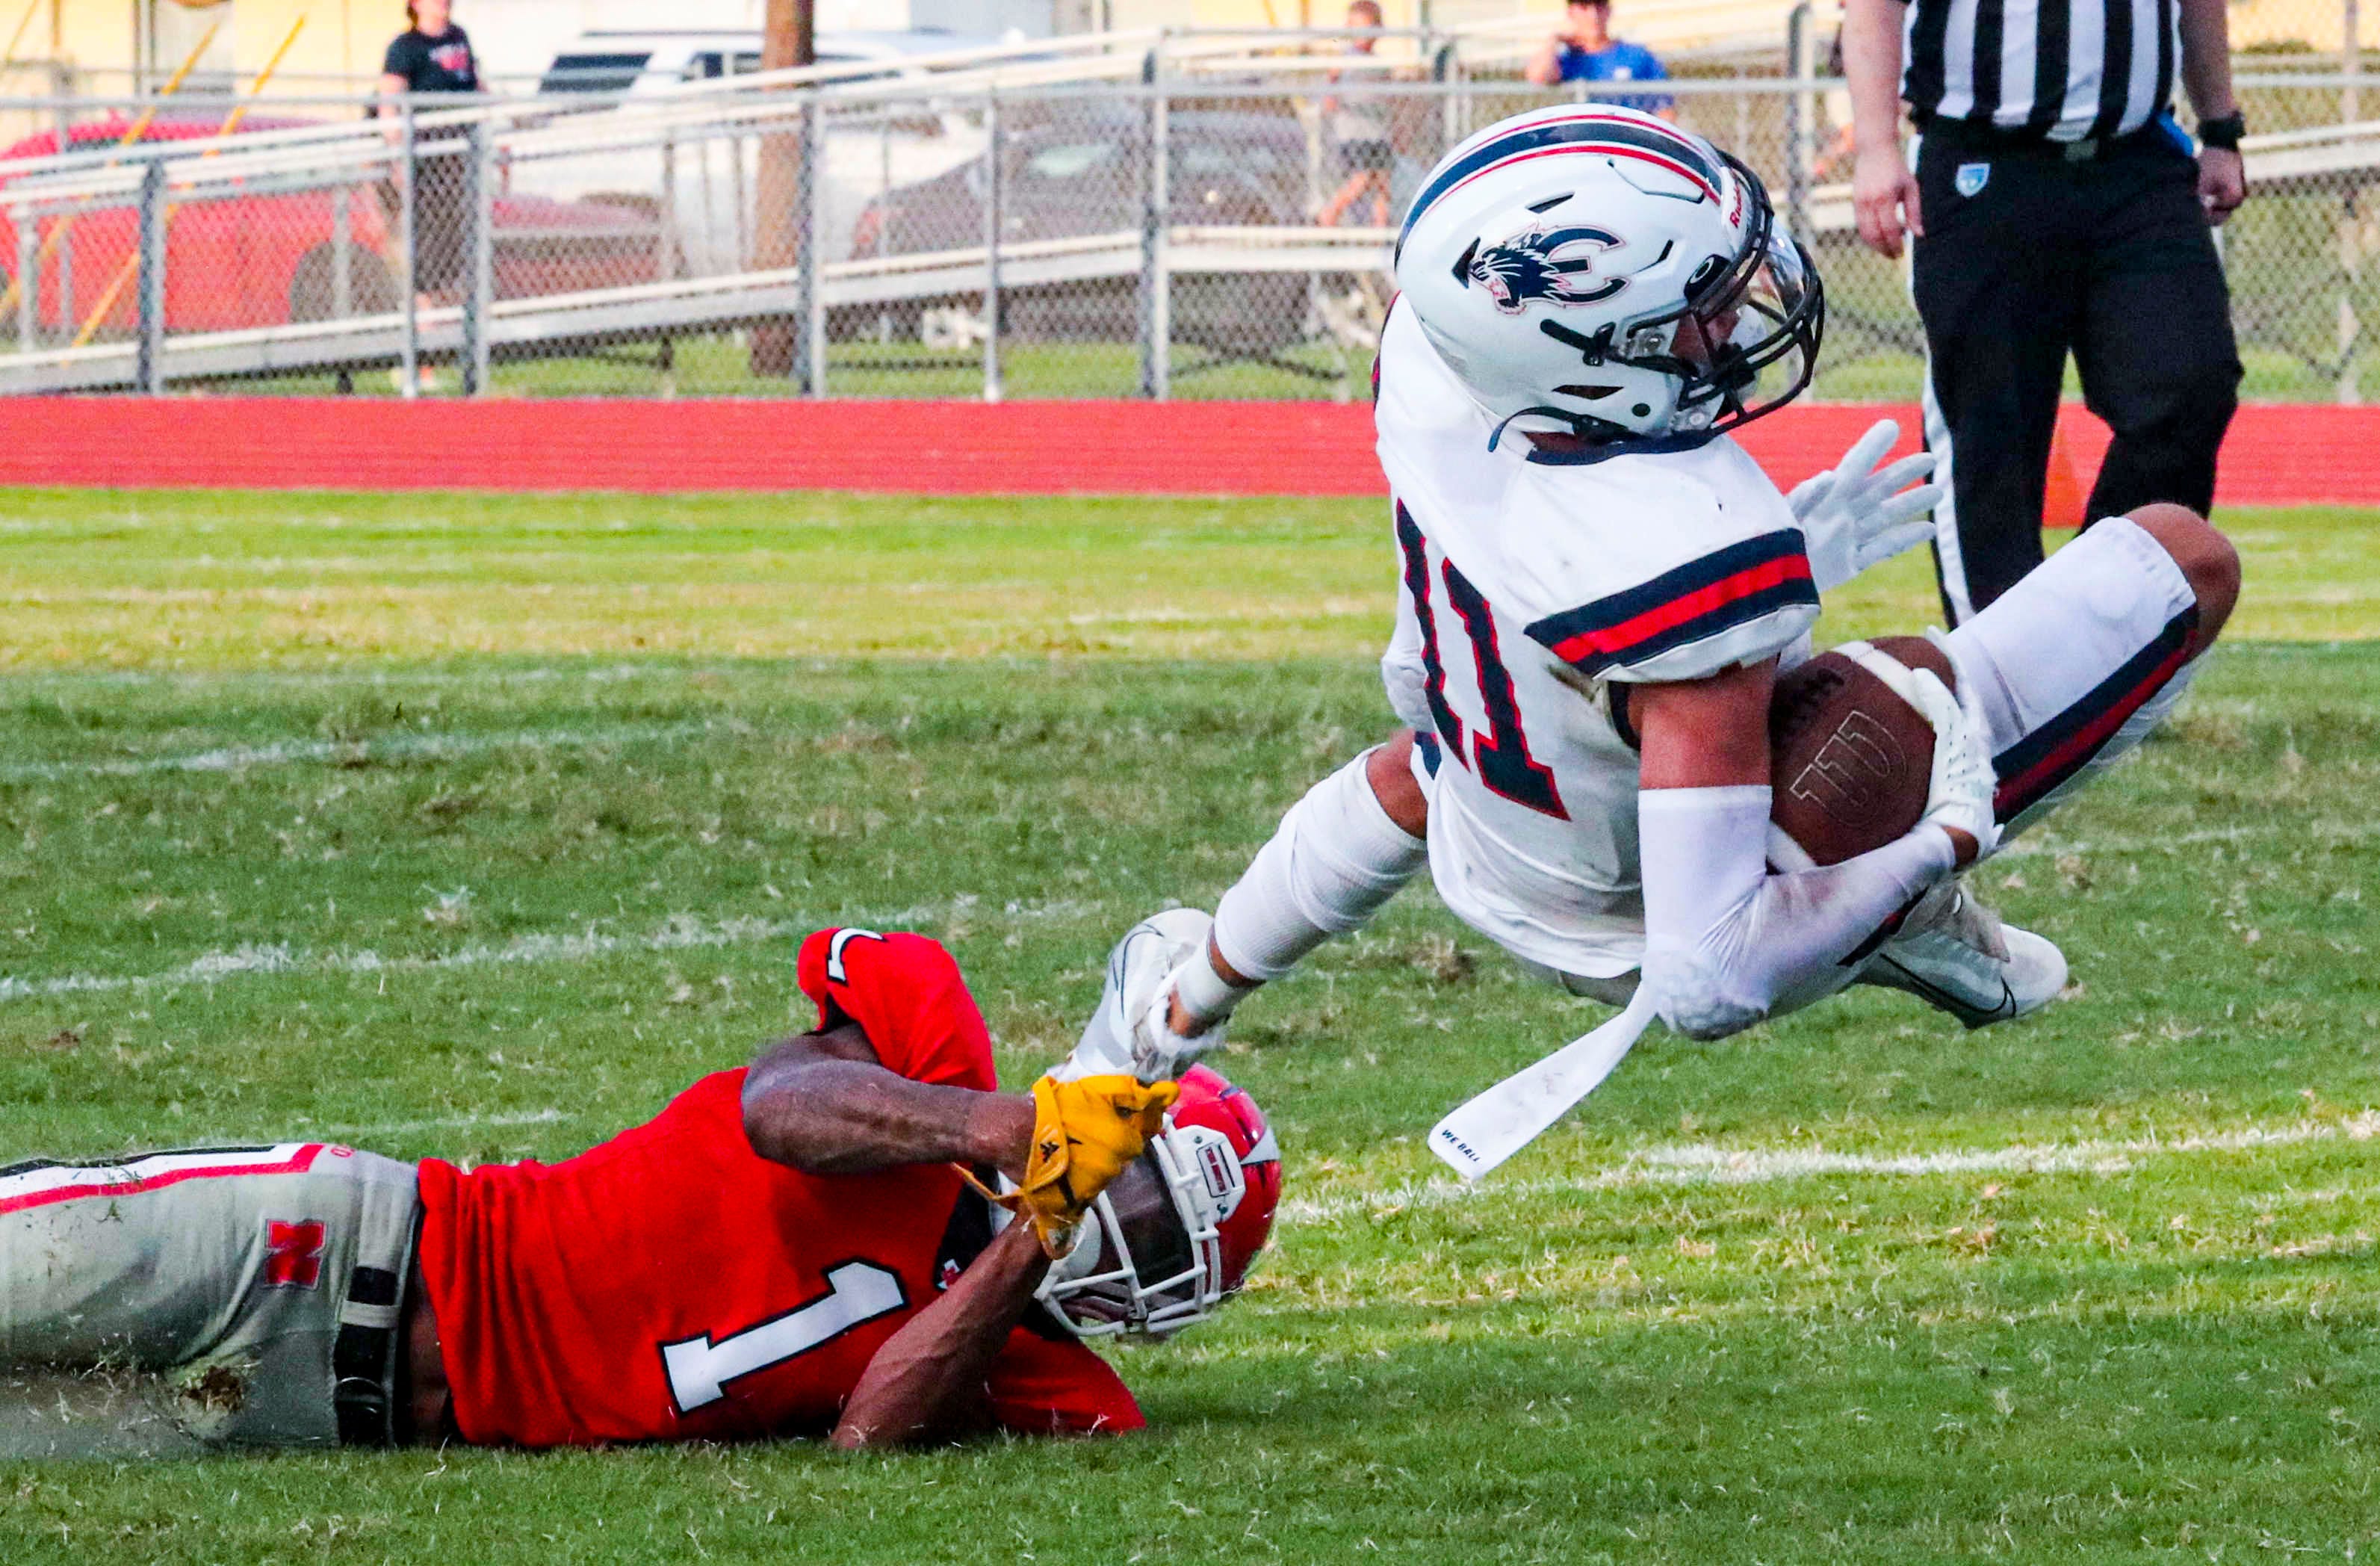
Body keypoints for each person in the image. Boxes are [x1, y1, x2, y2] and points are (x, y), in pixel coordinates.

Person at [1057, 105, 2239, 1090]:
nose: (1734, 320)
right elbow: (1703, 981)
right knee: (2165, 567)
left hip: (1484, 813)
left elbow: (1467, 642)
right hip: (1640, 911)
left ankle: (1175, 1005)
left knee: (1414, 768)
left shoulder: (1434, 355)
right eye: (1701, 307)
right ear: (1582, 348)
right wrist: (1936, 846)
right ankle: (1897, 919)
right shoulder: (1691, 556)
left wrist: (1753, 589)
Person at [0, 929, 1280, 1455]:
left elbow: (868, 1440)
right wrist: (1000, 1130)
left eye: (1163, 1241)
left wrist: (1030, 1240)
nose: (1127, 1226)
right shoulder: (928, 1040)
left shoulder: (1027, 1362)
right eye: (1141, 1189)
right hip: (341, 1243)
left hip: (336, 1419)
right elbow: (777, 1109)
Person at [1843, 0, 2246, 623]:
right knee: (1990, 423)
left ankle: (2093, 620)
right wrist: (1875, 145)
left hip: (2138, 160)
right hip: (1984, 160)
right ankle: (2002, 658)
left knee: (2191, 386)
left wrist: (2220, 129)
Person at [378, 0, 485, 392]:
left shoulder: (459, 38)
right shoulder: (405, 47)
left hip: (461, 164)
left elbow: (478, 88)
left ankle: (458, 353)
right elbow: (389, 103)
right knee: (424, 258)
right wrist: (398, 156)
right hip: (427, 168)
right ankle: (417, 360)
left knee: (462, 256)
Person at [1524, 0, 1676, 120]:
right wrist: (1554, 40)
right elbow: (1538, 76)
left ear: (1609, 10)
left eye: (1599, 6)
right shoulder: (1568, 61)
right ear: (1571, 13)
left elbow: (1664, 108)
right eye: (1584, 7)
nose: (1593, 16)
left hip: (1629, 139)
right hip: (1583, 140)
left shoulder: (1637, 55)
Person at [1319, 1, 1398, 229]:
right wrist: (1330, 97)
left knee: (1383, 183)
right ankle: (1329, 214)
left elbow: (1389, 96)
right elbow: (1331, 81)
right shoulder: (1345, 58)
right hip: (1354, 131)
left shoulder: (1380, 64)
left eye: (1369, 28)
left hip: (1377, 132)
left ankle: (1380, 231)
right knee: (1362, 178)